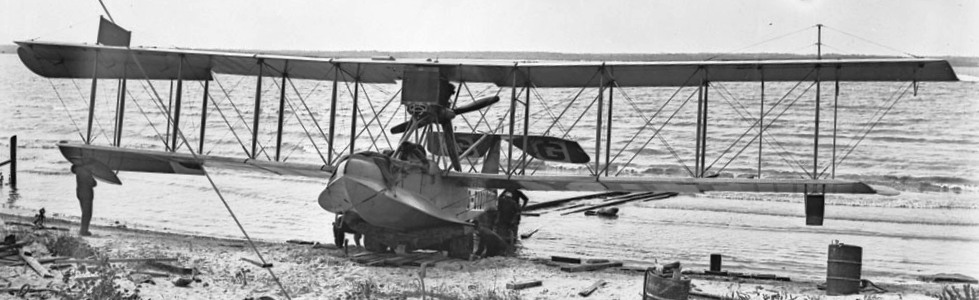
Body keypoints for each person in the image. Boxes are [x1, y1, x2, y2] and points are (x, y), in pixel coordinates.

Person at [71, 165, 96, 236]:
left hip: (80, 191)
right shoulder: (85, 171)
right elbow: (93, 183)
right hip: (86, 193)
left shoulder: (79, 170)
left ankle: (83, 230)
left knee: (85, 212)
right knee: (87, 213)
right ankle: (84, 231)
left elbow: (73, 169)